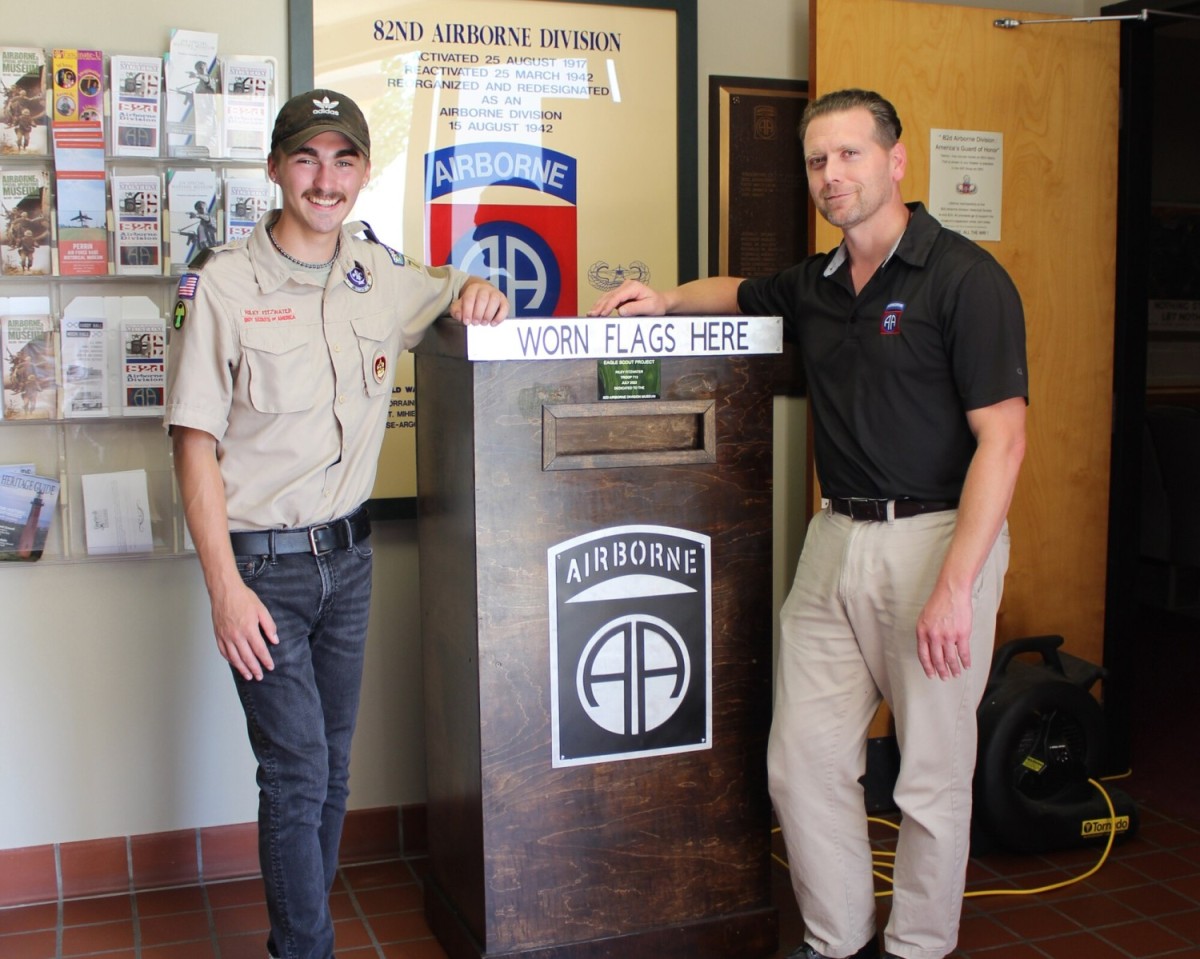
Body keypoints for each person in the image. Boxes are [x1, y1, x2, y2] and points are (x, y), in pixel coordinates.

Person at [590, 88, 1027, 959]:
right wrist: (666, 298)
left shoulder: (966, 281)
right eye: (818, 160)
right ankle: (837, 940)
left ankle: (917, 948)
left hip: (938, 543)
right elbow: (741, 289)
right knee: (801, 762)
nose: (832, 175)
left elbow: (1004, 444)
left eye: (850, 155)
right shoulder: (817, 283)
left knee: (931, 780)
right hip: (836, 541)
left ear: (896, 161)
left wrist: (955, 589)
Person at [164, 88, 507, 959]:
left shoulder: (376, 271)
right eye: (307, 158)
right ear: (275, 167)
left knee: (330, 772)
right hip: (263, 571)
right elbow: (193, 446)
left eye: (343, 159)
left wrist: (479, 288)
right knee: (296, 772)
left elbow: (452, 286)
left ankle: (299, 941)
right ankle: (304, 950)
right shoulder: (223, 286)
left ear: (361, 172)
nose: (326, 179)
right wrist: (225, 590)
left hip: (347, 564)